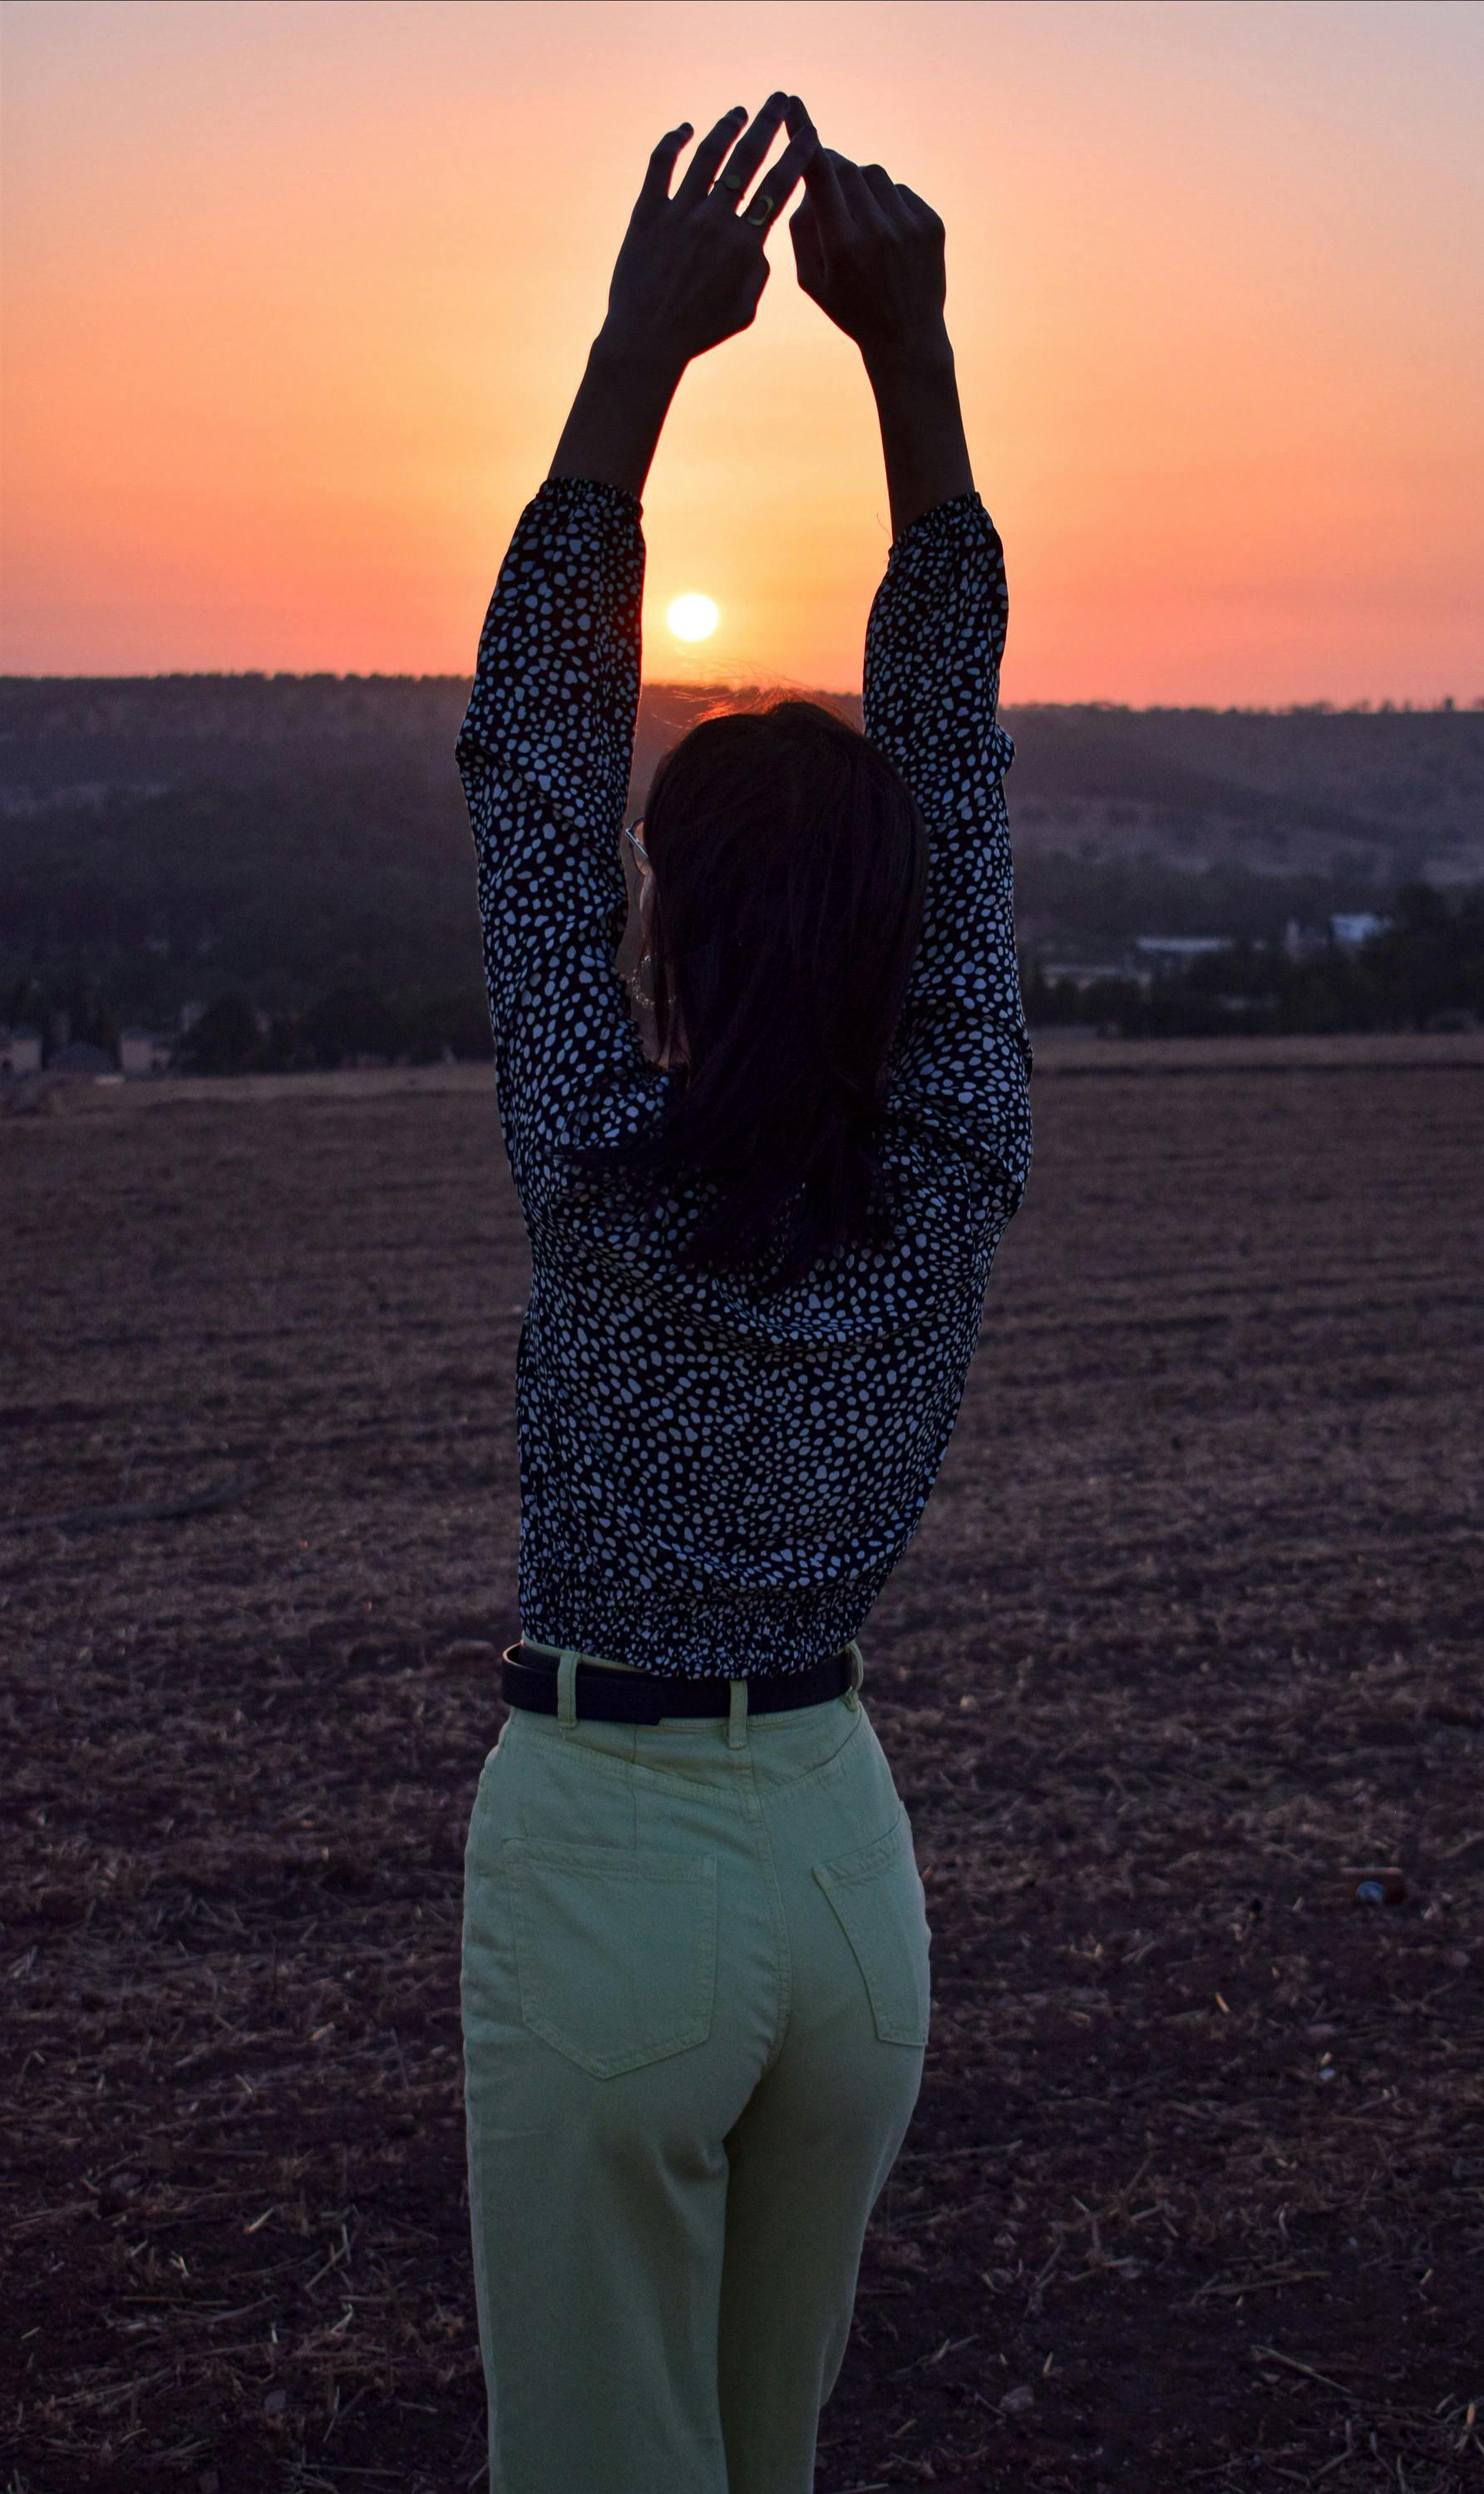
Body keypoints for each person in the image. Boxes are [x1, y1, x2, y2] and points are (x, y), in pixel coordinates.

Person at [454, 91, 1032, 2494]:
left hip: (607, 1862)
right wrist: (912, 363)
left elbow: (524, 770)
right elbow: (955, 749)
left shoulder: (603, 1167)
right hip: (843, 1877)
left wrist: (633, 357)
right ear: (903, 934)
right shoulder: (955, 1156)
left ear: (671, 929)